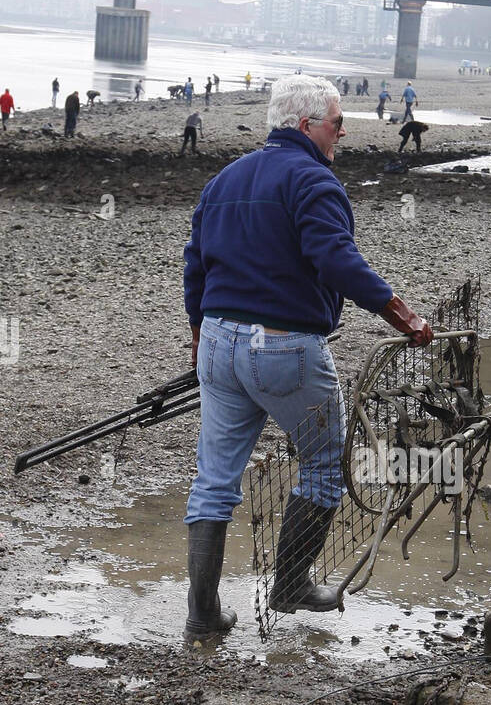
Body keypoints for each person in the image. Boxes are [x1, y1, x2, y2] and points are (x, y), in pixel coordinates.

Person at [181, 75, 433, 638]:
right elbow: (337, 261)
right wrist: (404, 316)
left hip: (219, 343)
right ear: (305, 125)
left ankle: (202, 615)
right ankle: (291, 584)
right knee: (323, 463)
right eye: (336, 122)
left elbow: (195, 263)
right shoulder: (314, 180)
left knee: (215, 480)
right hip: (285, 347)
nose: (342, 131)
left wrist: (200, 330)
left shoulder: (224, 179)